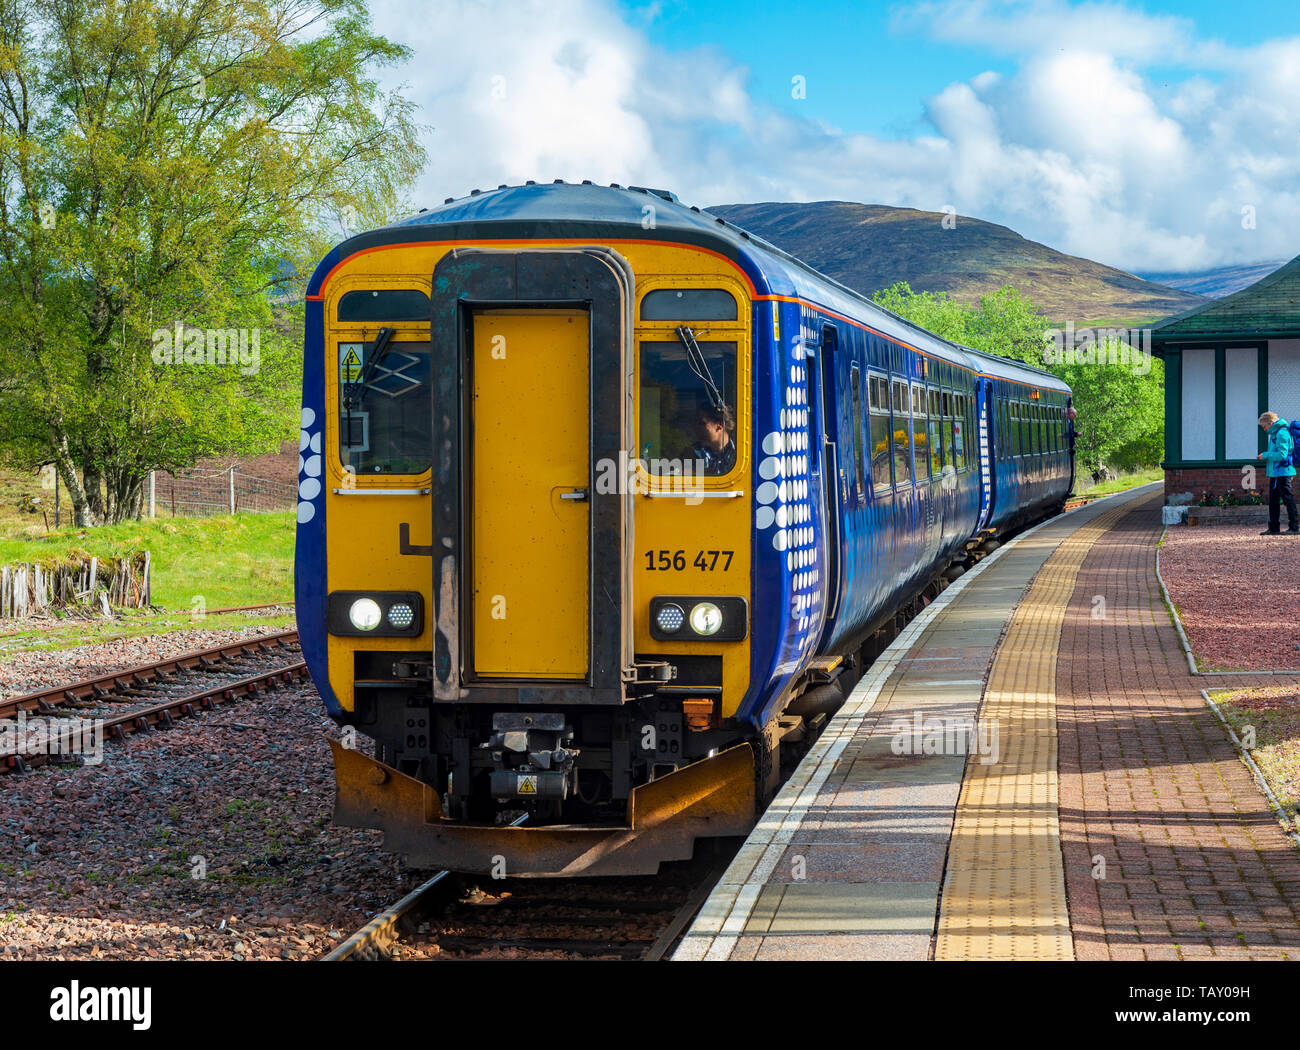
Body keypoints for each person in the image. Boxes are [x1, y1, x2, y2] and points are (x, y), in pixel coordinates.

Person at [1256, 411, 1298, 535]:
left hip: (1283, 472)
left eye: (1264, 426)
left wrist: (1265, 455)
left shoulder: (1282, 433)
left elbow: (1282, 455)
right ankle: (1274, 528)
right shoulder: (1275, 433)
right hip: (1276, 473)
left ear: (1270, 423)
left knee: (1288, 499)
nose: (1264, 429)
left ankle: (1294, 527)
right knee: (1274, 501)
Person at [690, 403, 737, 477]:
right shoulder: (691, 453)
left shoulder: (740, 454)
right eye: (695, 423)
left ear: (720, 425)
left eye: (702, 423)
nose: (696, 428)